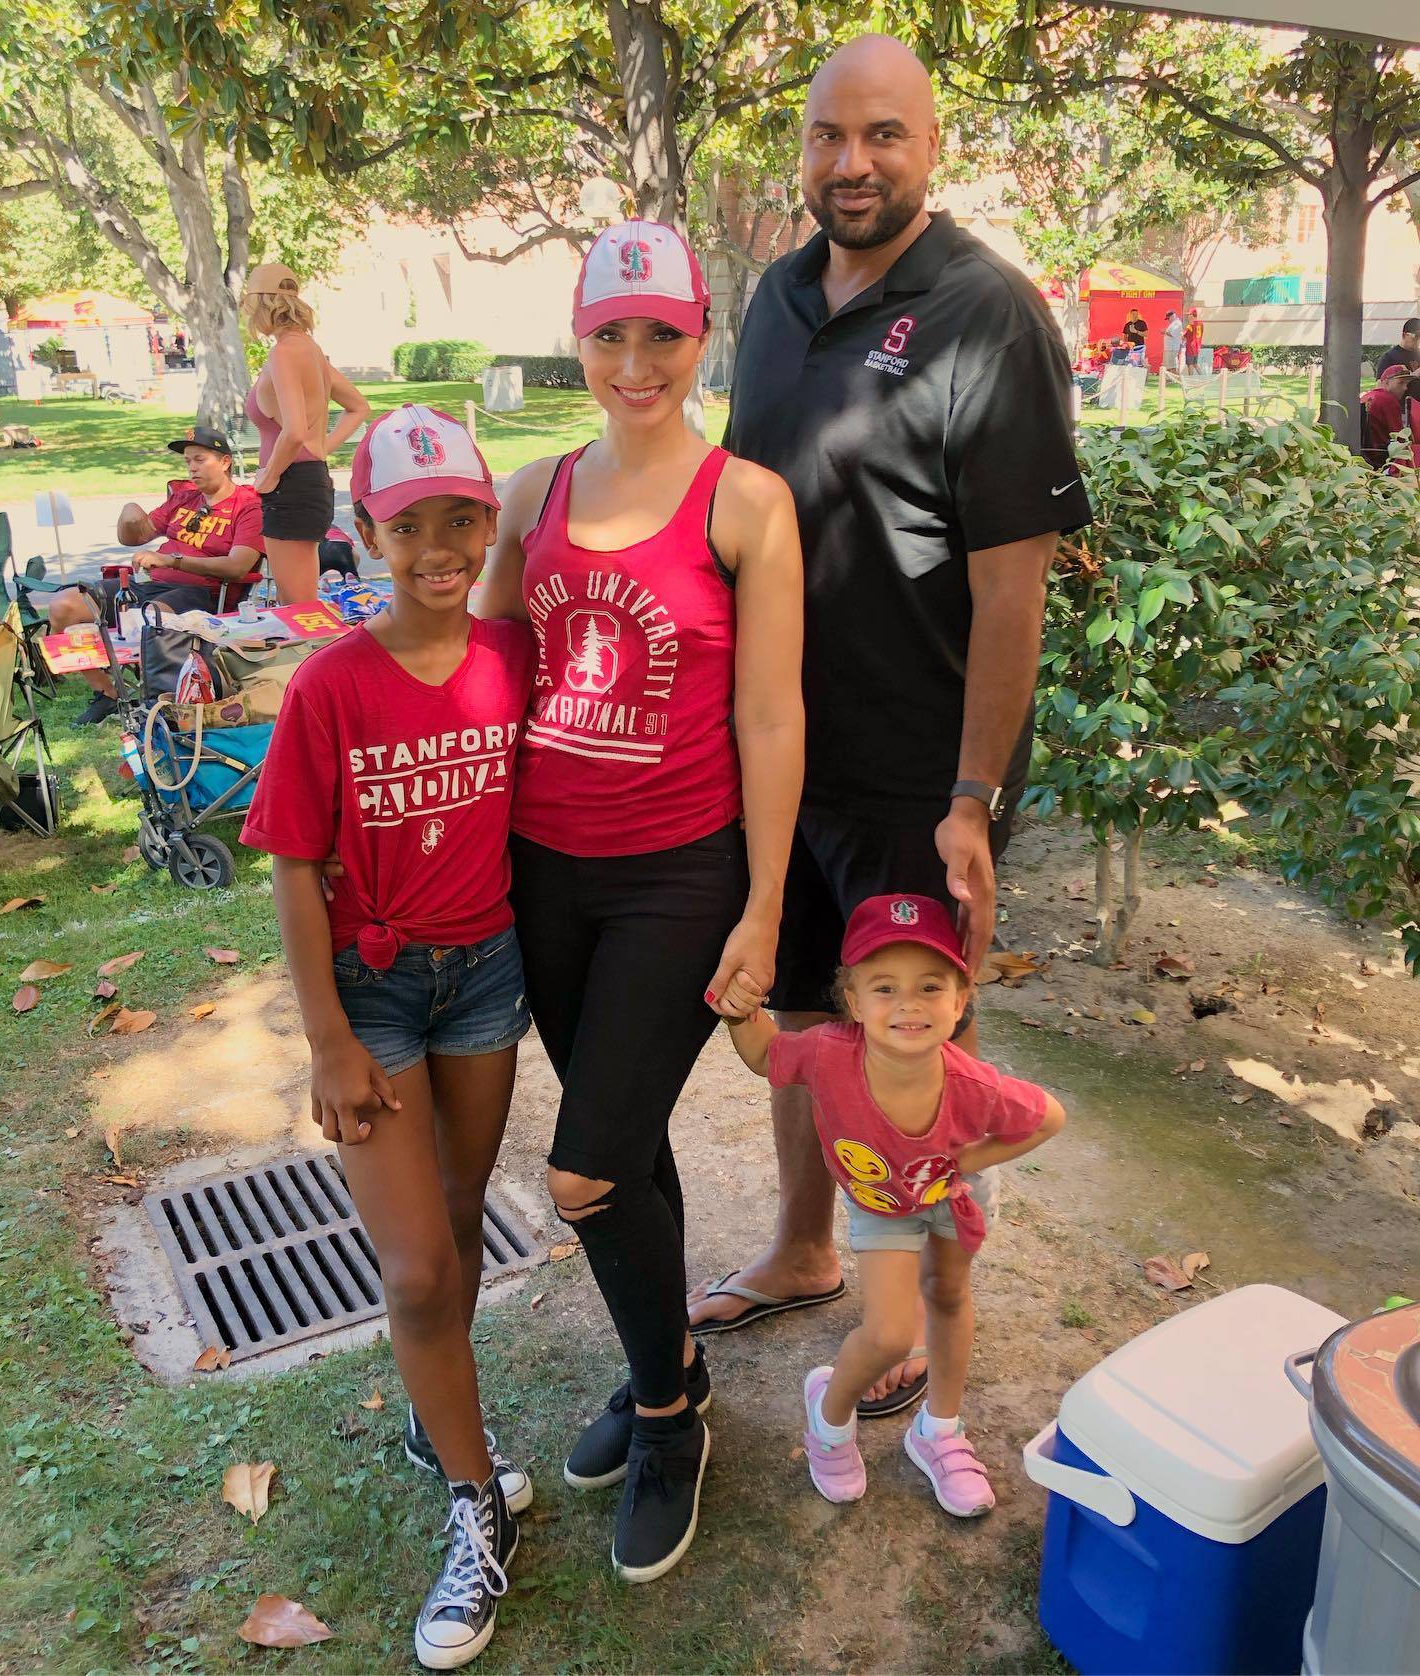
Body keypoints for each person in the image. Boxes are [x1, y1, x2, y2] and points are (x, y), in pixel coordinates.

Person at [689, 33, 1091, 1423]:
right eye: (826, 137)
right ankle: (810, 1246)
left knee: (902, 1046)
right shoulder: (778, 297)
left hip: (923, 774)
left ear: (931, 146)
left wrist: (973, 798)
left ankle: (905, 1309)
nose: (850, 164)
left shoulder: (990, 313)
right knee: (805, 1011)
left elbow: (1011, 586)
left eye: (881, 137)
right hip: (786, 752)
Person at [480, 219, 804, 1584]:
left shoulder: (747, 503)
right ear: (581, 340)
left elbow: (776, 718)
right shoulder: (532, 492)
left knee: (582, 1170)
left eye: (659, 333)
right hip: (545, 870)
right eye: (610, 334)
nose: (634, 360)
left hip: (682, 877)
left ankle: (669, 1418)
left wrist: (764, 907)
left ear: (698, 337)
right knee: (635, 1144)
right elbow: (486, 665)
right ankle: (668, 1360)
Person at [240, 405, 536, 1670]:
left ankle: (437, 1419)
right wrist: (326, 1040)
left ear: (488, 526)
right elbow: (294, 867)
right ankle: (477, 1509)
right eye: (409, 525)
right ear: (367, 531)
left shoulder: (510, 657)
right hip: (374, 998)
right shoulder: (331, 684)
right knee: (414, 1268)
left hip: (486, 978)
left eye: (461, 520)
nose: (438, 547)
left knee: (464, 1213)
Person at [723, 894, 1064, 1509]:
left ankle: (940, 1431)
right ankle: (828, 1421)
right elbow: (764, 1053)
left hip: (950, 1198)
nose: (908, 1004)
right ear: (852, 1001)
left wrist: (965, 1162)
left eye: (930, 986)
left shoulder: (973, 1083)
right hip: (883, 1204)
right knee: (885, 1334)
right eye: (884, 987)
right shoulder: (828, 1054)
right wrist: (738, 1010)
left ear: (960, 1002)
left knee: (950, 1300)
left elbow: (1047, 1117)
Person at [46, 425, 264, 725]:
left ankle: (158, 705)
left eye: (199, 460)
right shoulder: (185, 500)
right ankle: (108, 693)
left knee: (155, 619)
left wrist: (173, 561)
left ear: (225, 462)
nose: (191, 468)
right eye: (188, 461)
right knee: (64, 606)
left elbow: (238, 566)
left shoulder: (247, 505)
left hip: (206, 594)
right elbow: (135, 536)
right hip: (151, 582)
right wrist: (129, 512)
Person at [242, 262, 370, 605]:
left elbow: (295, 429)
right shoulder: (309, 349)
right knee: (300, 601)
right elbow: (358, 406)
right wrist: (321, 449)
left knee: (297, 607)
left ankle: (316, 660)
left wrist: (269, 475)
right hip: (307, 481)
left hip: (291, 486)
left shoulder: (284, 352)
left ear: (263, 303)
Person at [1359, 353, 1420, 471]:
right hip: (1382, 457)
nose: (1405, 388)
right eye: (1401, 383)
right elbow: (1400, 438)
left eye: (1406, 384)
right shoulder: (1387, 400)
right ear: (1385, 382)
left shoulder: (1368, 396)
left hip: (1367, 453)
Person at [1163, 309, 1184, 374]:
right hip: (1169, 347)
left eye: (1168, 318)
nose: (1168, 320)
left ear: (1172, 316)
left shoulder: (1177, 323)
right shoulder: (1174, 323)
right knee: (1169, 364)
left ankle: (1174, 377)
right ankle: (1170, 378)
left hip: (1172, 347)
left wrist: (1164, 332)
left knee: (1173, 365)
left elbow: (1172, 334)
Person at [1183, 308, 1204, 373]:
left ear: (1192, 315)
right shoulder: (1201, 324)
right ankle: (1202, 376)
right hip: (1197, 347)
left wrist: (1181, 333)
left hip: (1190, 347)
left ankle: (1190, 379)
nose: (1188, 316)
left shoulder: (1190, 326)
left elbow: (1184, 336)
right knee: (1195, 364)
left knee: (1190, 364)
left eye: (1189, 315)